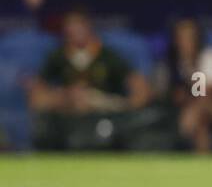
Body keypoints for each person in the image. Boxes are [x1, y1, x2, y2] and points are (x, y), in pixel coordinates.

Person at [28, 9, 153, 150]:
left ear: (89, 27)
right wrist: (65, 97)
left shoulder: (108, 56)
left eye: (80, 27)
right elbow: (37, 96)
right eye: (71, 28)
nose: (75, 32)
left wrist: (116, 104)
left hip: (104, 116)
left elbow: (139, 88)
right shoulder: (58, 57)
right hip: (67, 119)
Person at [163, 18, 212, 153]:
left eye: (190, 38)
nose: (185, 42)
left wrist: (190, 111)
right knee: (201, 121)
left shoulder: (210, 57)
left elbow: (206, 94)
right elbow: (171, 93)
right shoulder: (173, 61)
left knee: (199, 112)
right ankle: (203, 161)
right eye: (181, 38)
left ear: (198, 39)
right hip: (192, 110)